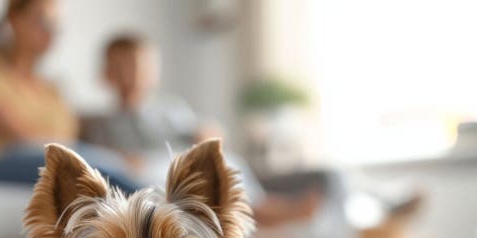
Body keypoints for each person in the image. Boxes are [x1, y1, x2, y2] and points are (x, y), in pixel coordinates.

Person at [86, 33, 321, 227]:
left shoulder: (169, 110)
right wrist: (124, 159)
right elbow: (103, 158)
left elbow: (204, 132)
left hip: (183, 161)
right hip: (150, 173)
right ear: (106, 74)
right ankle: (265, 213)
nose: (132, 74)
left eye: (139, 66)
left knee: (227, 162)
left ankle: (261, 209)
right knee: (174, 181)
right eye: (122, 66)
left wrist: (207, 135)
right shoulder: (102, 123)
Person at [0, 0, 135, 191]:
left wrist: (111, 157)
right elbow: (22, 136)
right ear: (14, 19)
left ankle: (150, 204)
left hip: (48, 160)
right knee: (88, 168)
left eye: (56, 26)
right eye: (44, 23)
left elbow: (68, 138)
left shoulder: (52, 88)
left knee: (107, 164)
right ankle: (154, 206)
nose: (51, 33)